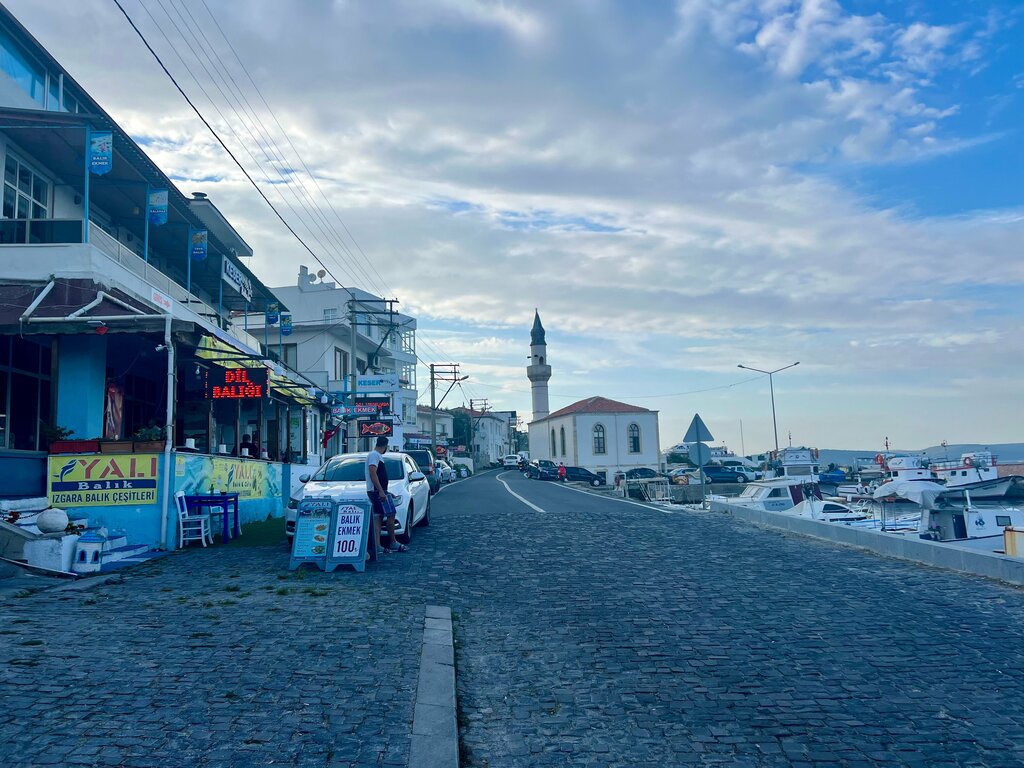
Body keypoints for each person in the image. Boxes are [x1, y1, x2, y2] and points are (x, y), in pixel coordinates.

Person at [366, 436, 407, 554]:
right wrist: (380, 491)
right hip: (376, 491)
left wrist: (387, 492)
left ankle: (379, 544)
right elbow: (373, 473)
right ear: (385, 446)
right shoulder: (374, 455)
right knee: (389, 513)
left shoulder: (377, 456)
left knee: (379, 516)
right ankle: (390, 542)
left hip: (380, 490)